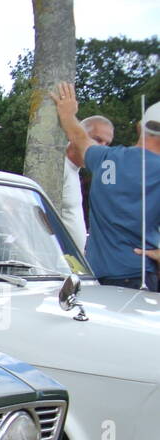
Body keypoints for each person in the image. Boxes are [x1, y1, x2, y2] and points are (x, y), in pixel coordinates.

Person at [54, 82, 160, 290]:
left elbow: (78, 137)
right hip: (137, 274)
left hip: (96, 274)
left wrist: (67, 113)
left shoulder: (106, 158)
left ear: (140, 127)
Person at [61, 115, 114, 250]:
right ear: (77, 135)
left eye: (107, 144)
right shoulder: (59, 169)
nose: (102, 148)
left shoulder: (73, 171)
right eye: (97, 139)